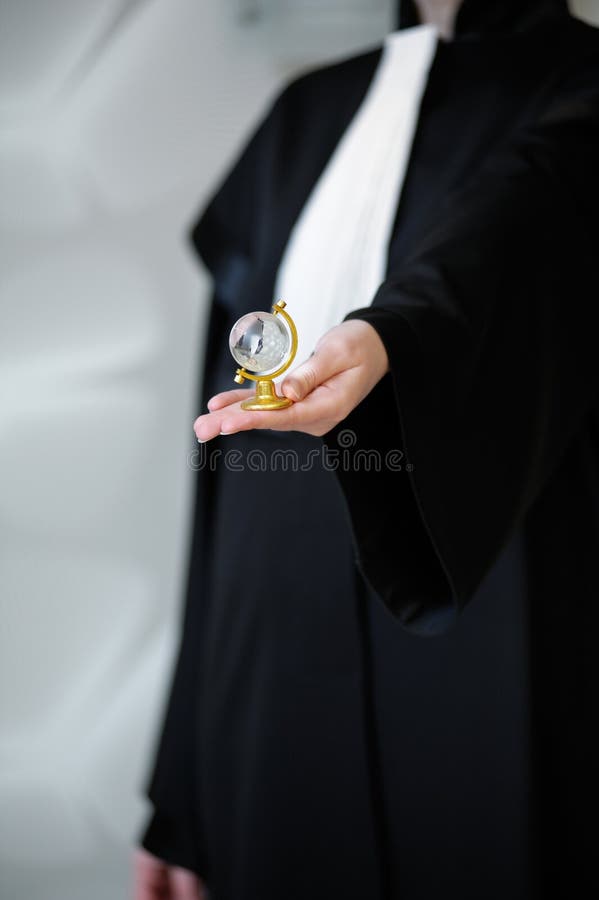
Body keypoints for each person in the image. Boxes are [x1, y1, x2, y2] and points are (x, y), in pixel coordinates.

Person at [133, 1, 599, 898]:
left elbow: (510, 235)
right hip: (263, 672)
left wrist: (391, 335)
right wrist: (178, 790)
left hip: (494, 656)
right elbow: (217, 479)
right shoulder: (302, 117)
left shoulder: (577, 90)